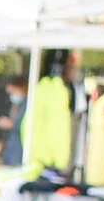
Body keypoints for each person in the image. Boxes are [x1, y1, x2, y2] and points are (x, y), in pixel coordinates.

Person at [22, 49, 76, 179]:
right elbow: (58, 127)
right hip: (48, 160)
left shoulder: (41, 88)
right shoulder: (58, 90)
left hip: (38, 158)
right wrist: (60, 159)